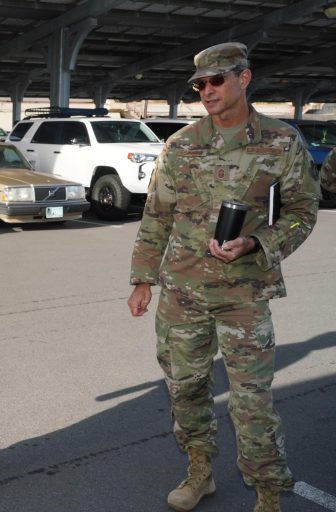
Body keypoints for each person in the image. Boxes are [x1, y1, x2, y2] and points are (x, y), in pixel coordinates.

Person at [127, 42, 319, 512]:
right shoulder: (182, 144)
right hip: (182, 291)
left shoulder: (280, 141)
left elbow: (302, 211)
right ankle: (199, 473)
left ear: (244, 78)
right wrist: (142, 279)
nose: (207, 91)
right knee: (186, 389)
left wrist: (259, 244)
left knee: (251, 401)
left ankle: (268, 491)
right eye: (199, 85)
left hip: (244, 293)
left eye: (216, 81)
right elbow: (156, 217)